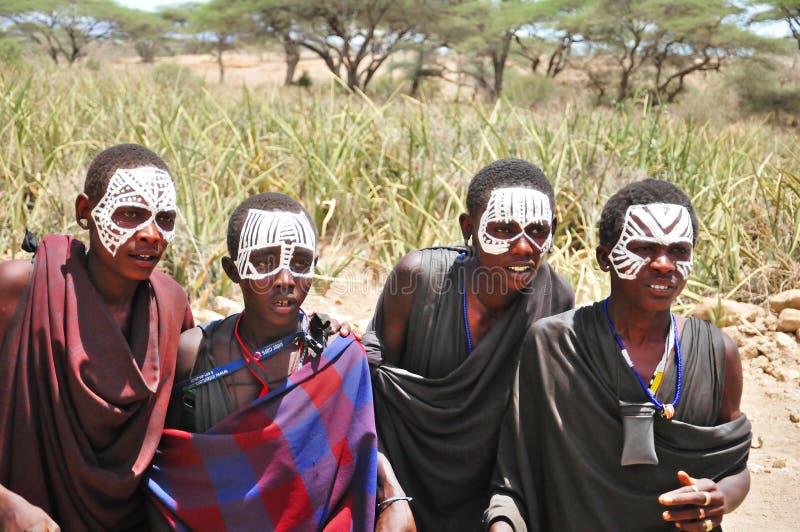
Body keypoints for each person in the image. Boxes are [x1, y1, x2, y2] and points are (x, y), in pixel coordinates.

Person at [485, 179, 751, 531]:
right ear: (604, 257)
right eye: (644, 248)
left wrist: (720, 498)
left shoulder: (717, 352)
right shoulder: (554, 345)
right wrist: (502, 524)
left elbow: (736, 468)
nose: (663, 264)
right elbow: (515, 476)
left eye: (679, 250)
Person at [363, 159, 575, 530]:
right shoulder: (419, 280)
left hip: (489, 497)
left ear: (553, 231)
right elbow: (369, 395)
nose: (523, 247)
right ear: (469, 228)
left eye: (538, 231)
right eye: (503, 229)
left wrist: (506, 514)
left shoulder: (554, 299)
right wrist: (390, 493)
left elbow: (533, 428)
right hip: (399, 481)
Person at [147, 192, 377, 531]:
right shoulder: (193, 355)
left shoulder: (338, 358)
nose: (285, 280)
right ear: (232, 270)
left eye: (300, 263)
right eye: (265, 263)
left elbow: (356, 466)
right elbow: (167, 469)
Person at [0, 144, 194, 531]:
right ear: (85, 211)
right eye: (130, 214)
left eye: (164, 219)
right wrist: (5, 506)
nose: (151, 234)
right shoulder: (19, 290)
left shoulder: (170, 305)